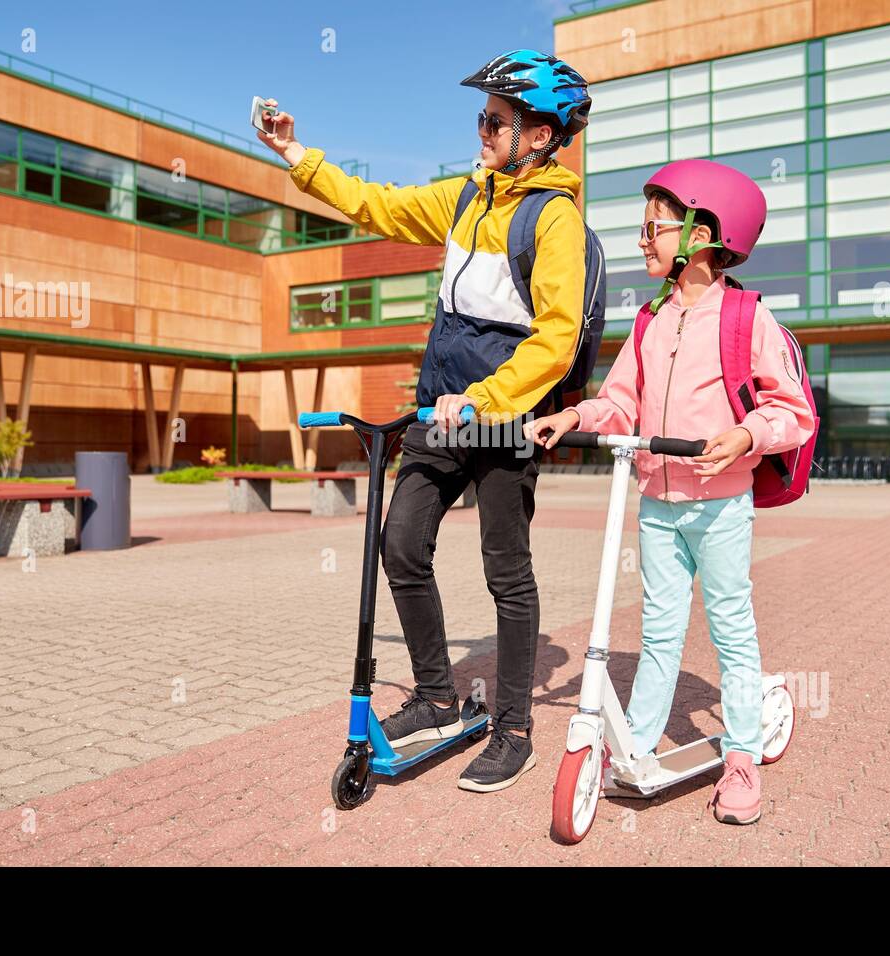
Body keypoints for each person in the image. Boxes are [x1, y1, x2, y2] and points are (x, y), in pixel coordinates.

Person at [255, 50, 592, 792]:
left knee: (507, 572)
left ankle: (514, 728)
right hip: (437, 408)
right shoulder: (467, 198)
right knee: (400, 543)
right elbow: (381, 204)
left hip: (502, 419)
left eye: (495, 120)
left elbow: (556, 337)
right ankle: (438, 695)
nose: (481, 129)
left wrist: (484, 401)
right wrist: (296, 155)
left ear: (538, 137)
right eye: (481, 117)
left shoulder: (555, 219)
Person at [524, 159, 815, 823]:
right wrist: (575, 416)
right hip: (657, 504)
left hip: (719, 506)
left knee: (731, 628)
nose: (642, 240)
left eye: (653, 227)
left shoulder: (744, 318)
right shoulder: (652, 321)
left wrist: (745, 436)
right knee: (659, 632)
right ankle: (642, 743)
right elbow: (620, 400)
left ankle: (742, 756)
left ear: (701, 233)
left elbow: (791, 409)